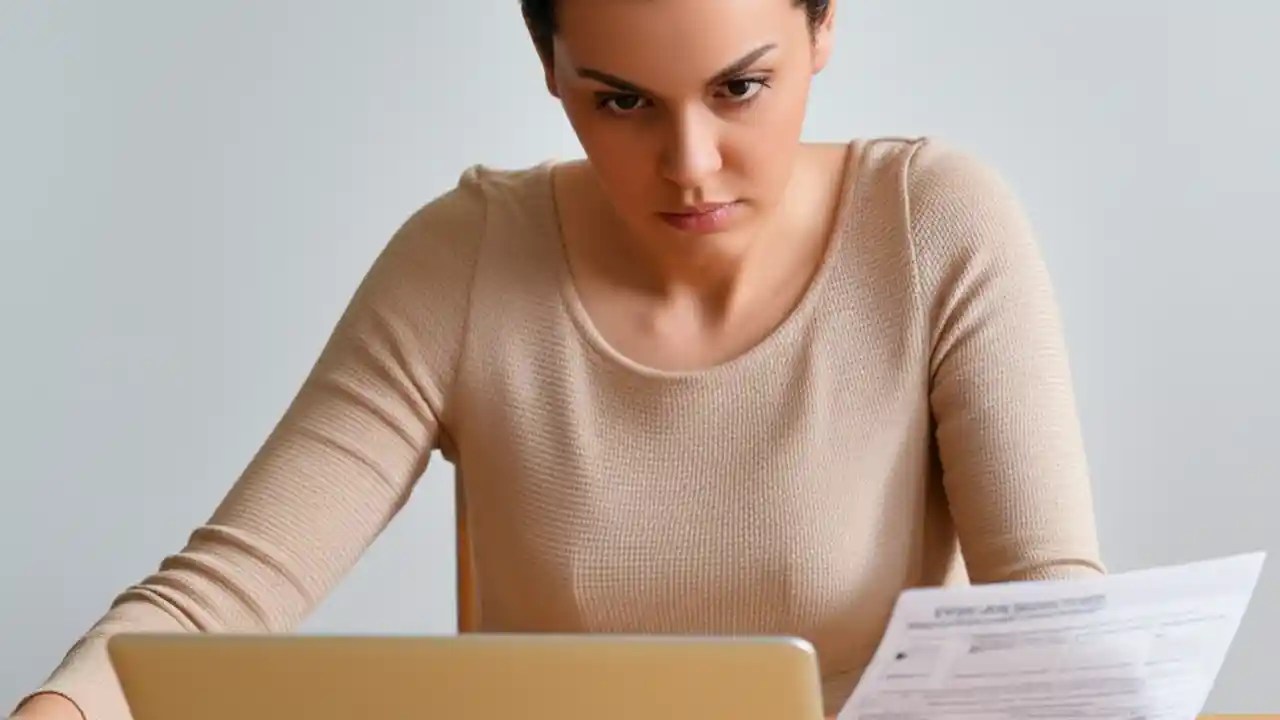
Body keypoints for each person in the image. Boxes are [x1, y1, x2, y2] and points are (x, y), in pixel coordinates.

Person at [12, 0, 1106, 717]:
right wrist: (59, 711)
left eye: (739, 89)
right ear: (549, 68)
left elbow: (1047, 621)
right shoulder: (468, 257)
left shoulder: (931, 227)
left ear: (821, 29)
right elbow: (229, 592)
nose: (688, 165)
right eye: (618, 101)